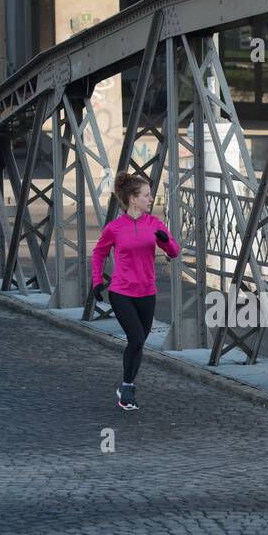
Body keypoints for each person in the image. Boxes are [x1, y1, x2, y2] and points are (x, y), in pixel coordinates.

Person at [90, 171, 180, 411]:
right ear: (132, 198)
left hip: (147, 293)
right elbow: (98, 253)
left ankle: (126, 384)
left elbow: (174, 252)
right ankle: (128, 388)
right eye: (147, 195)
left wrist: (166, 241)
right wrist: (97, 281)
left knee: (138, 343)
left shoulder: (155, 224)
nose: (151, 199)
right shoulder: (115, 228)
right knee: (137, 338)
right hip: (121, 292)